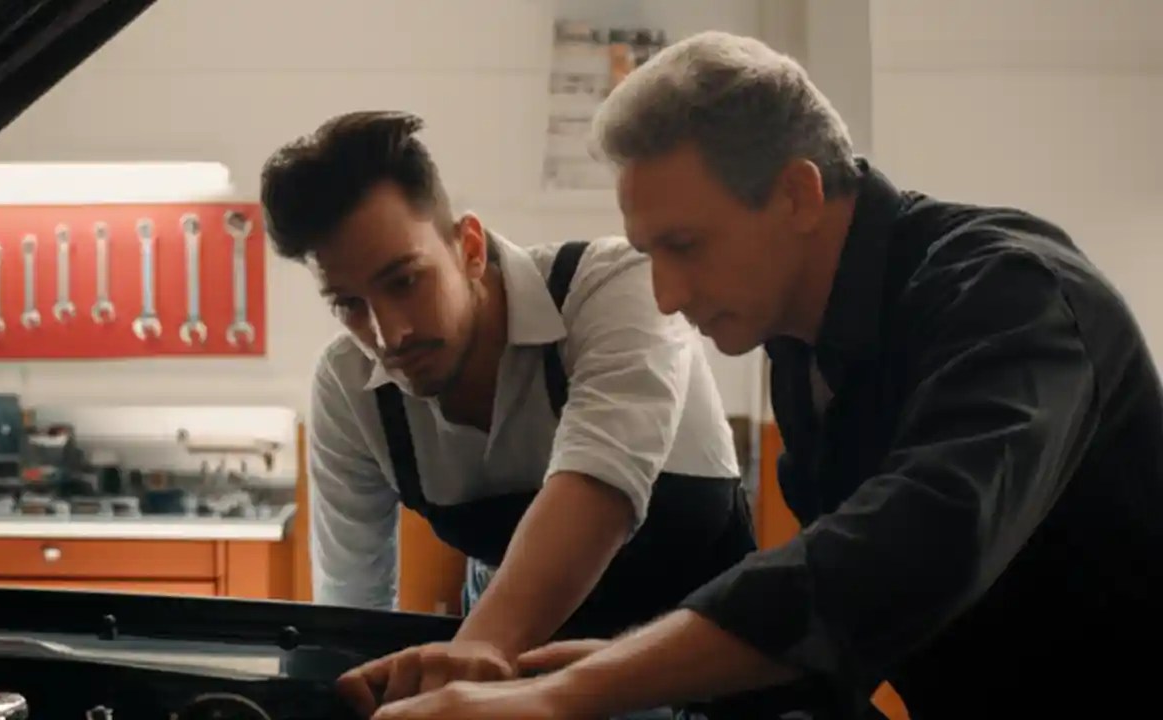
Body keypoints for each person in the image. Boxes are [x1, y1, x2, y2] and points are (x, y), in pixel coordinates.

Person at [367, 31, 1163, 720]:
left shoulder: (1013, 294)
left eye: (685, 246)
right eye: (649, 257)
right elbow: (836, 637)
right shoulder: (801, 351)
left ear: (797, 194)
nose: (668, 298)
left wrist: (560, 698)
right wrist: (599, 667)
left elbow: (900, 555)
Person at [259, 110, 758, 715]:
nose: (388, 334)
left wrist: (478, 650)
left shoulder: (613, 286)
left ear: (468, 247)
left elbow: (599, 484)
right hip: (516, 694)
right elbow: (348, 613)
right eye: (348, 304)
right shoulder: (348, 387)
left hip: (713, 677)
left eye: (405, 280)